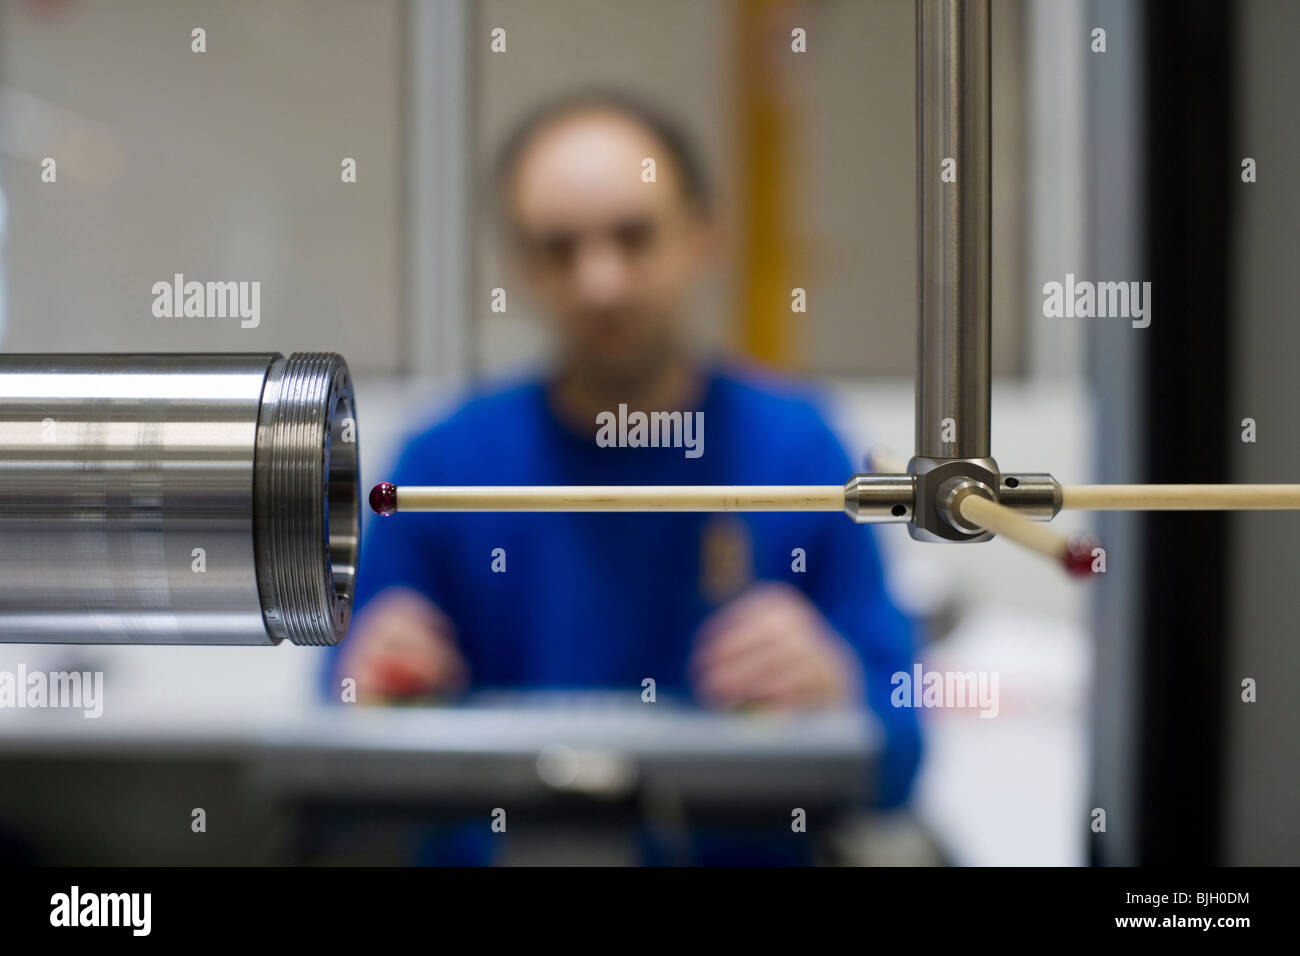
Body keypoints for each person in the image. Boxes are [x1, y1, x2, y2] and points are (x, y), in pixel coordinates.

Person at [324, 90, 921, 864]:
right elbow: (329, 746)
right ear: (521, 267)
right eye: (559, 248)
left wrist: (841, 692)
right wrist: (364, 694)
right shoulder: (441, 469)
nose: (600, 282)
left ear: (707, 236)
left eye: (634, 238)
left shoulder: (802, 457)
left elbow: (905, 758)